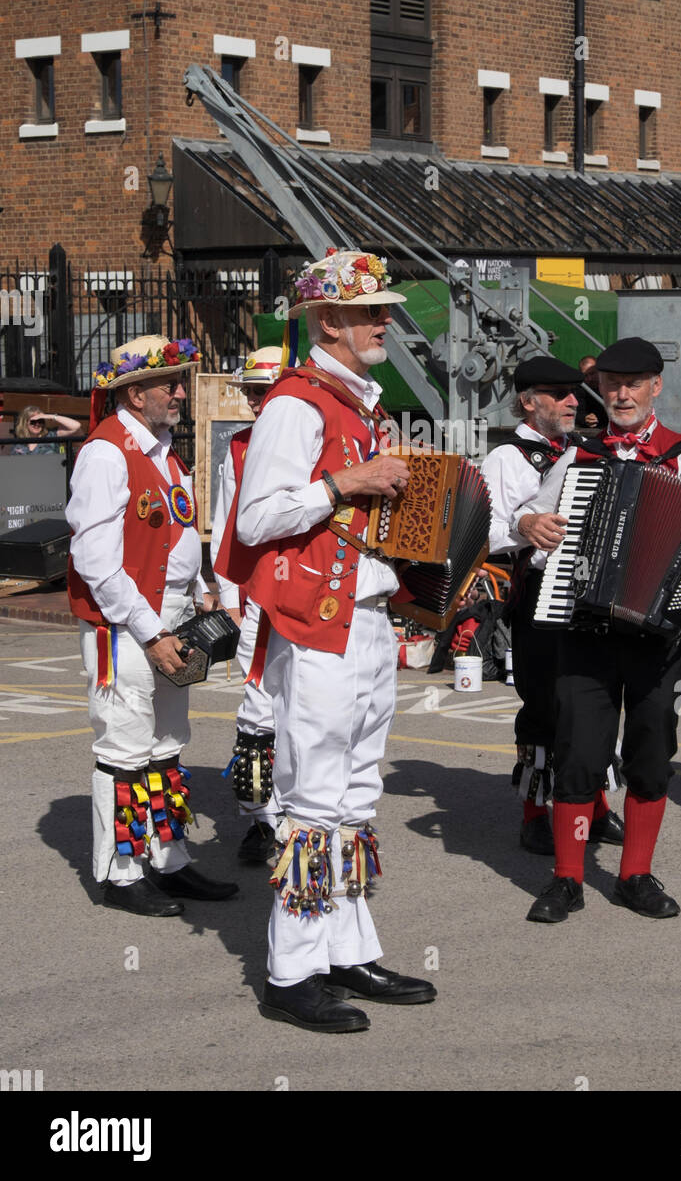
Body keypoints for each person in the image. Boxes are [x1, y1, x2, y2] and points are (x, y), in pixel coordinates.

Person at [220, 249, 436, 1033]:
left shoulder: (359, 402)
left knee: (355, 796)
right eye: (372, 311)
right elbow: (255, 519)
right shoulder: (296, 404)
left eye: (382, 310)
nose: (385, 322)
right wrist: (348, 483)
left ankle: (346, 948)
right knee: (313, 799)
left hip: (365, 620)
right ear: (330, 320)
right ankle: (292, 970)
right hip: (317, 626)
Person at [519, 337, 681, 923]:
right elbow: (527, 519)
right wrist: (532, 525)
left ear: (655, 387)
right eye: (612, 382)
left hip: (658, 636)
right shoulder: (577, 457)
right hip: (583, 630)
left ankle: (636, 873)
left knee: (651, 752)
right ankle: (567, 879)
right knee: (578, 754)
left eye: (634, 382)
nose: (622, 393)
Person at [67, 335, 239, 916]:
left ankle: (168, 861)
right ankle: (119, 874)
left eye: (180, 381)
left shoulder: (165, 452)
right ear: (135, 393)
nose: (181, 392)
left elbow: (182, 535)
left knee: (167, 743)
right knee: (124, 745)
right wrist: (149, 629)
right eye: (170, 383)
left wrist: (203, 592)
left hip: (171, 615)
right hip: (126, 623)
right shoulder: (105, 453)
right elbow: (95, 561)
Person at [481, 355, 622, 855]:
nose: (572, 401)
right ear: (528, 401)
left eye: (574, 393)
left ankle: (594, 806)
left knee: (590, 704)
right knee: (543, 704)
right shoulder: (506, 459)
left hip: (587, 591)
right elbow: (483, 533)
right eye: (559, 394)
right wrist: (522, 526)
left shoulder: (584, 449)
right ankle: (535, 813)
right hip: (538, 594)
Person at [211, 348, 284, 864]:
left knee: (309, 710)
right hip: (258, 595)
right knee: (258, 708)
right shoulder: (238, 447)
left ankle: (307, 816)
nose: (259, 403)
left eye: (267, 391)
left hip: (316, 595)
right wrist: (230, 597)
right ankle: (260, 819)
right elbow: (225, 524)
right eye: (254, 393)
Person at [11, 406, 80, 453]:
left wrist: (50, 416)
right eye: (33, 422)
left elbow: (76, 426)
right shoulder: (19, 442)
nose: (37, 424)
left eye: (40, 421)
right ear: (25, 423)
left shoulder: (51, 435)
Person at [574, 355, 608, 434]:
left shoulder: (610, 385)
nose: (589, 379)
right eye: (585, 375)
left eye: (592, 373)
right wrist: (585, 418)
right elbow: (576, 411)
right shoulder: (580, 388)